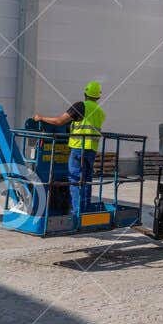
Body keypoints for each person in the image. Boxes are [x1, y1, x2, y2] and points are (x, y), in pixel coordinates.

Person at [32, 80, 104, 223]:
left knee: (75, 180)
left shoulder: (80, 106)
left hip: (78, 149)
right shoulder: (100, 112)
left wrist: (41, 118)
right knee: (86, 181)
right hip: (91, 151)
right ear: (98, 97)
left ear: (85, 93)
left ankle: (76, 216)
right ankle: (84, 211)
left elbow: (59, 121)